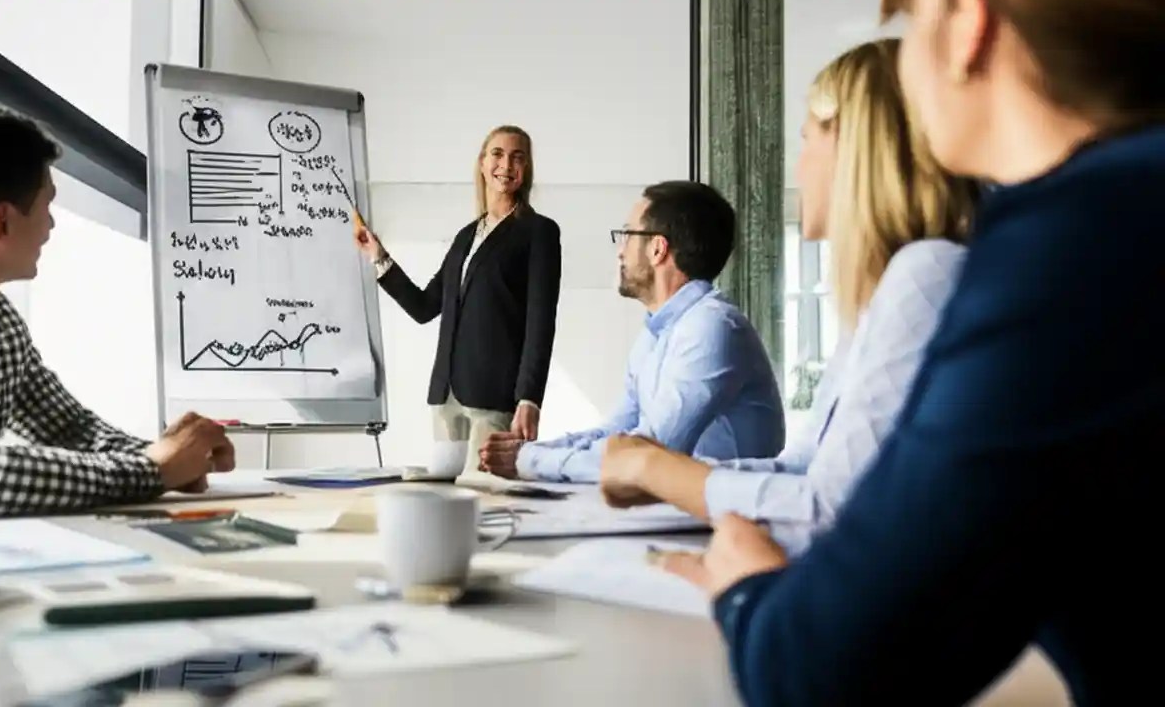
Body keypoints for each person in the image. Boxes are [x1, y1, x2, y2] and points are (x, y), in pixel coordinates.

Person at [626, 0, 1165, 704]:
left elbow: (823, 671)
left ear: (968, 22)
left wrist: (746, 589)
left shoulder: (1073, 242)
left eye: (911, 25)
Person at [599, 39, 978, 553]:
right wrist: (673, 476)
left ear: (854, 146)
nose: (797, 169)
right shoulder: (881, 293)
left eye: (805, 140)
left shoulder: (924, 273)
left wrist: (656, 469)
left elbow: (826, 508)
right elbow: (804, 468)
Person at [0, 99, 234, 521]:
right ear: (2, 223)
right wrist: (151, 469)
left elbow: (71, 431)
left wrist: (176, 457)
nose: (51, 225)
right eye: (47, 204)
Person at [479, 181, 785, 483]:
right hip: (680, 515)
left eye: (627, 234)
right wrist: (532, 451)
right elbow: (617, 432)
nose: (620, 251)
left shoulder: (711, 328)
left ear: (657, 248)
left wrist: (530, 460)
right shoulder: (656, 333)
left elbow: (648, 452)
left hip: (720, 525)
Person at [353, 126, 562, 477]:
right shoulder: (466, 236)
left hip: (494, 393)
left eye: (517, 157)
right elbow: (424, 306)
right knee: (442, 490)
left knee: (485, 495)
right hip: (446, 394)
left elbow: (541, 323)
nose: (506, 164)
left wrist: (530, 398)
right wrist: (379, 256)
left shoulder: (539, 232)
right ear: (482, 163)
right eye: (497, 154)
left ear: (526, 170)